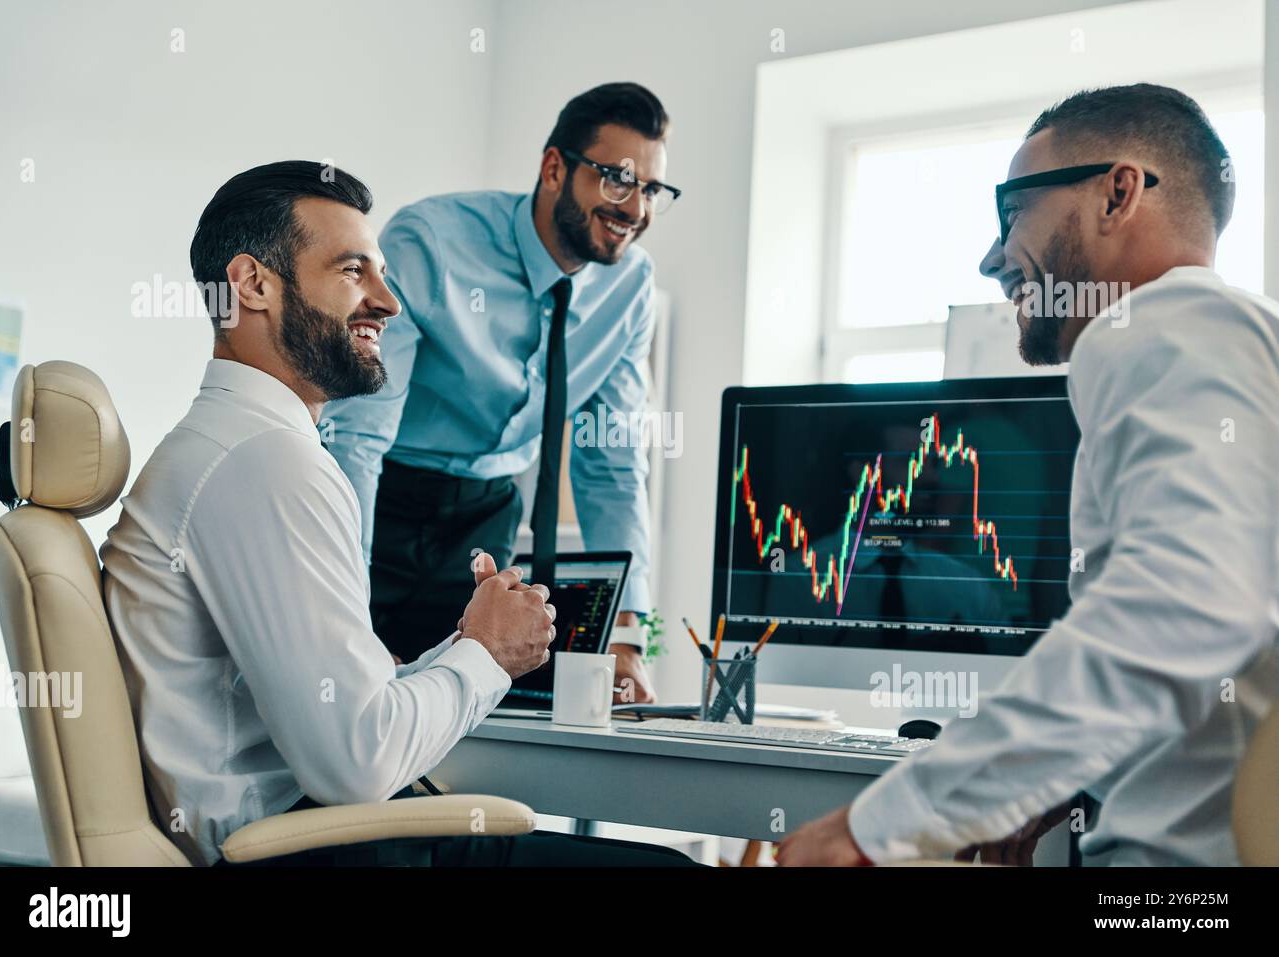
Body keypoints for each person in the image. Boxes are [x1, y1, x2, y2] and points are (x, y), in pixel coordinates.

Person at [101, 161, 694, 867]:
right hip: (309, 851)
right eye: (354, 271)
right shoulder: (267, 462)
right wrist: (488, 654)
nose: (389, 301)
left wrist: (466, 641)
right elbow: (356, 762)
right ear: (253, 285)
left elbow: (339, 722)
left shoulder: (232, 447)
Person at [778, 83, 1279, 867]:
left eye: (1011, 211)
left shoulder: (1156, 323)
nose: (991, 257)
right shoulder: (1235, 342)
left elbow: (1186, 603)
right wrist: (1058, 780)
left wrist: (875, 827)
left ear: (1118, 192)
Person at [323, 83, 682, 702]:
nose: (636, 208)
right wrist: (345, 617)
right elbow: (359, 438)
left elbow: (613, 471)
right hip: (386, 497)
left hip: (487, 516)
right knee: (354, 696)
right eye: (619, 180)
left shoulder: (630, 291)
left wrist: (626, 636)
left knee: (474, 712)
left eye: (652, 189)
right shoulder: (432, 241)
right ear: (553, 169)